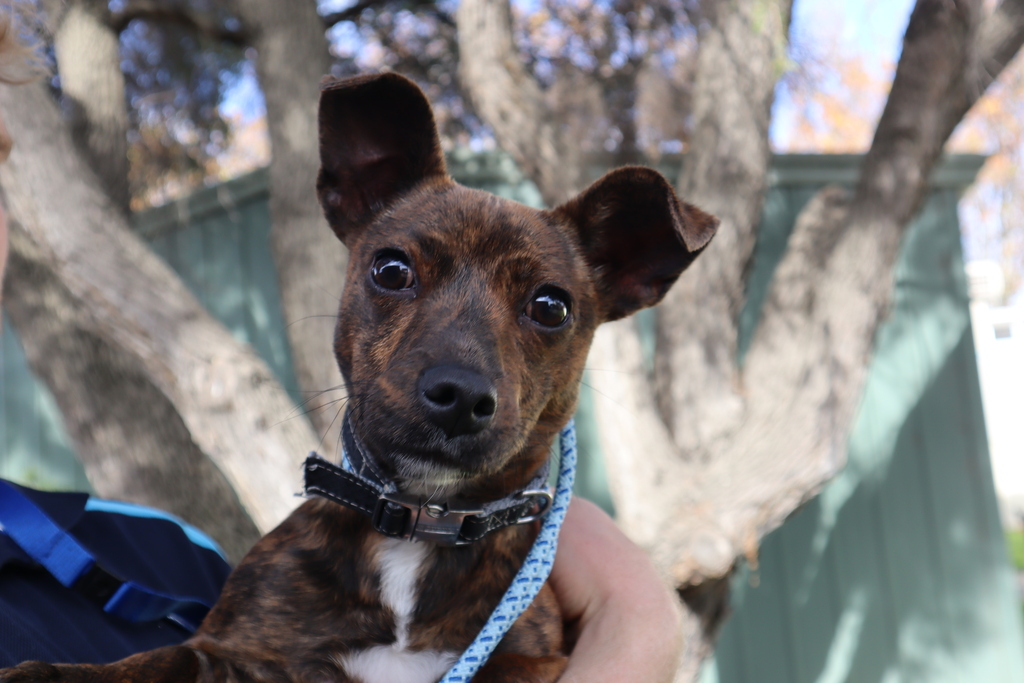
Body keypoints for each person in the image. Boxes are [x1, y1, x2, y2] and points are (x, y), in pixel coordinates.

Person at [0, 12, 682, 682]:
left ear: (624, 281)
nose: (461, 376)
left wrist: (640, 618)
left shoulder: (157, 554)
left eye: (545, 309)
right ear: (353, 195)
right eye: (396, 274)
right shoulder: (288, 572)